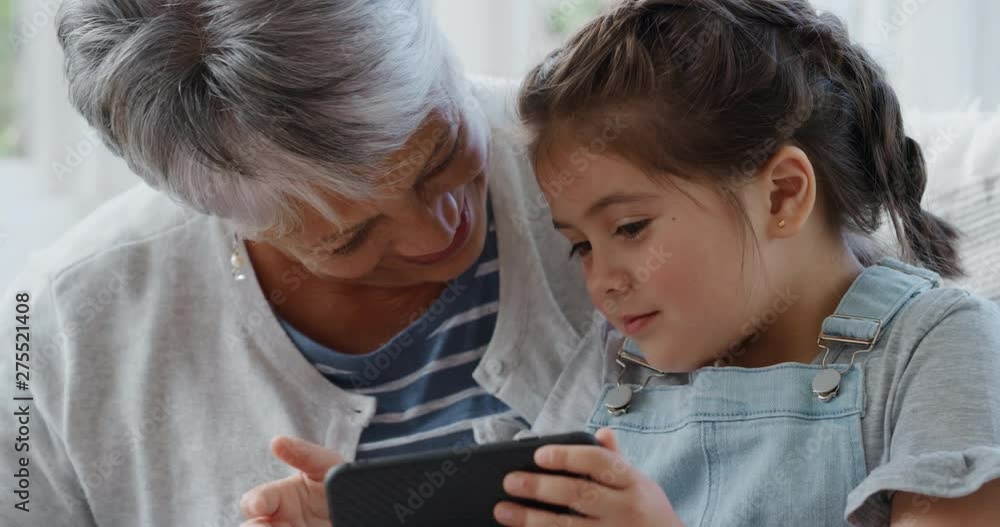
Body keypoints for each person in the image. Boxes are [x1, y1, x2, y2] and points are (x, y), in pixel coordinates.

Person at [242, 1, 1000, 526]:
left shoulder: (936, 346)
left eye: (630, 226)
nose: (600, 278)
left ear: (783, 195)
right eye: (580, 243)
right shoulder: (624, 366)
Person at [0, 1, 593, 526]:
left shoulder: (628, 173)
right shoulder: (53, 334)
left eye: (439, 153)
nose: (433, 233)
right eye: (349, 236)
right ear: (221, 219)